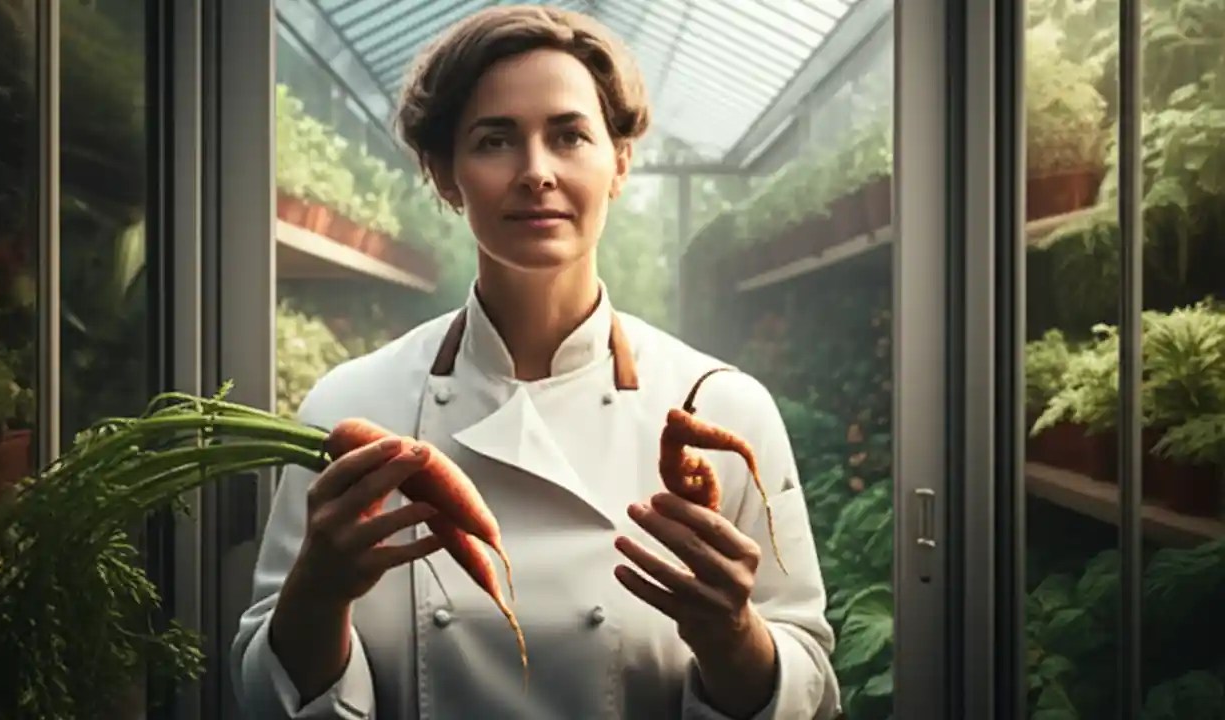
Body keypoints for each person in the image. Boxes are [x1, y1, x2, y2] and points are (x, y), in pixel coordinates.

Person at [231, 5, 839, 719]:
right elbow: (266, 696)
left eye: (569, 135)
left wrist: (735, 635)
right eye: (494, 140)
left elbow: (809, 685)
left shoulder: (721, 408)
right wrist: (318, 593)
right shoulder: (353, 408)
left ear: (619, 163)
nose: (536, 172)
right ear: (444, 174)